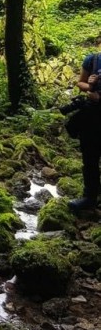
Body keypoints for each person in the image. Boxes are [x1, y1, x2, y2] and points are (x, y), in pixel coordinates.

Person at [69, 46, 101, 212]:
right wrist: (89, 86)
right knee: (89, 158)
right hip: (92, 116)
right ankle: (90, 197)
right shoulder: (92, 59)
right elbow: (80, 82)